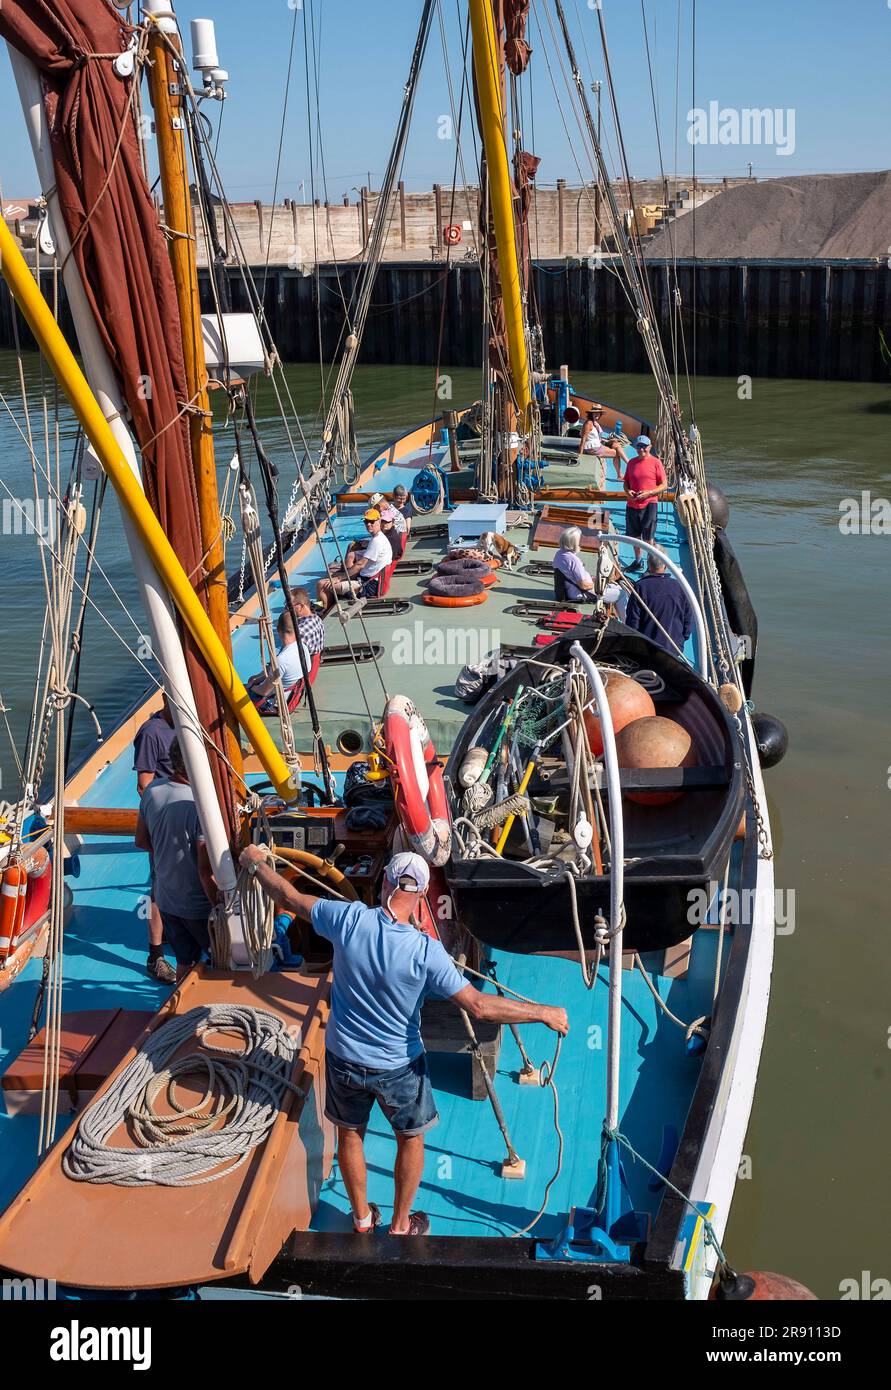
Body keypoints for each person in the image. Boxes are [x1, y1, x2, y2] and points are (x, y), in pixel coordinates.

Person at [237, 845, 569, 1236]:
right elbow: (478, 1006)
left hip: (343, 1057)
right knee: (410, 1139)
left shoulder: (347, 919)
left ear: (384, 885)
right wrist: (543, 1012)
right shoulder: (426, 951)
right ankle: (399, 1224)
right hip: (398, 1068)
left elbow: (290, 897)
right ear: (423, 894)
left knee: (350, 1133)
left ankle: (362, 1219)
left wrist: (255, 863)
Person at [135, 738, 216, 983]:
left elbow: (141, 841)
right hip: (198, 906)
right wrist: (220, 905)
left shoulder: (152, 791)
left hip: (167, 901)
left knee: (184, 962)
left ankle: (180, 1003)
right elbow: (205, 870)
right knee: (223, 962)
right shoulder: (200, 804)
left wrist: (168, 851)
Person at [133, 695, 177, 984]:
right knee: (160, 886)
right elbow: (144, 785)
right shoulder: (151, 733)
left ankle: (177, 928)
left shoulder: (189, 724)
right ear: (164, 698)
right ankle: (155, 957)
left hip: (190, 811)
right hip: (166, 818)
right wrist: (162, 818)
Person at [315, 508, 391, 613]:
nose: (368, 524)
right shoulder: (379, 538)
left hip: (367, 586)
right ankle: (325, 603)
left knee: (321, 584)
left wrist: (339, 577)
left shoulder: (377, 542)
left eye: (372, 521)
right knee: (330, 578)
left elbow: (360, 564)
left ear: (379, 521)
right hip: (371, 580)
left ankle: (322, 611)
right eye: (366, 521)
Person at [625, 552, 694, 656]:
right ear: (665, 566)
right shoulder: (680, 587)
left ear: (649, 565)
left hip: (647, 649)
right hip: (674, 648)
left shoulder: (640, 587)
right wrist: (682, 638)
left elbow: (632, 621)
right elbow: (688, 618)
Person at [246, 609, 312, 711]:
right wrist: (258, 678)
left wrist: (250, 687)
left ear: (278, 630)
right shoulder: (303, 647)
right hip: (291, 694)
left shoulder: (281, 660)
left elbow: (264, 691)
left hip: (272, 702)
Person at [552, 526, 625, 614]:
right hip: (581, 593)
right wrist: (598, 584)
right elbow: (584, 585)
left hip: (571, 590)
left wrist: (592, 579)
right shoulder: (573, 560)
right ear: (574, 543)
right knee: (622, 594)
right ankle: (626, 620)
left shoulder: (559, 554)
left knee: (616, 587)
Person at [623, 435, 668, 572]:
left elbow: (664, 485)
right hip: (632, 505)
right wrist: (628, 492)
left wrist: (649, 493)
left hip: (649, 504)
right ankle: (638, 561)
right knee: (635, 537)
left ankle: (650, 566)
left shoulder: (656, 463)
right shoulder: (631, 463)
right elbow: (626, 483)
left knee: (649, 538)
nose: (641, 449)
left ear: (650, 447)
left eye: (644, 446)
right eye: (638, 446)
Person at [577, 404, 627, 483]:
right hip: (593, 448)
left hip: (597, 445)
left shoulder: (594, 423)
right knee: (616, 453)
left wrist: (607, 441)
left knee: (616, 444)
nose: (597, 414)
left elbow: (595, 438)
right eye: (595, 413)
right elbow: (583, 439)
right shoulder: (588, 424)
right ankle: (621, 474)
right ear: (591, 413)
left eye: (599, 413)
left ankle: (628, 464)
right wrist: (580, 455)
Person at [287, 586, 326, 659]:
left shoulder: (300, 632)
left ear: (301, 606)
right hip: (315, 661)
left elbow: (290, 657)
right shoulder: (317, 619)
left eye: (290, 606)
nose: (287, 609)